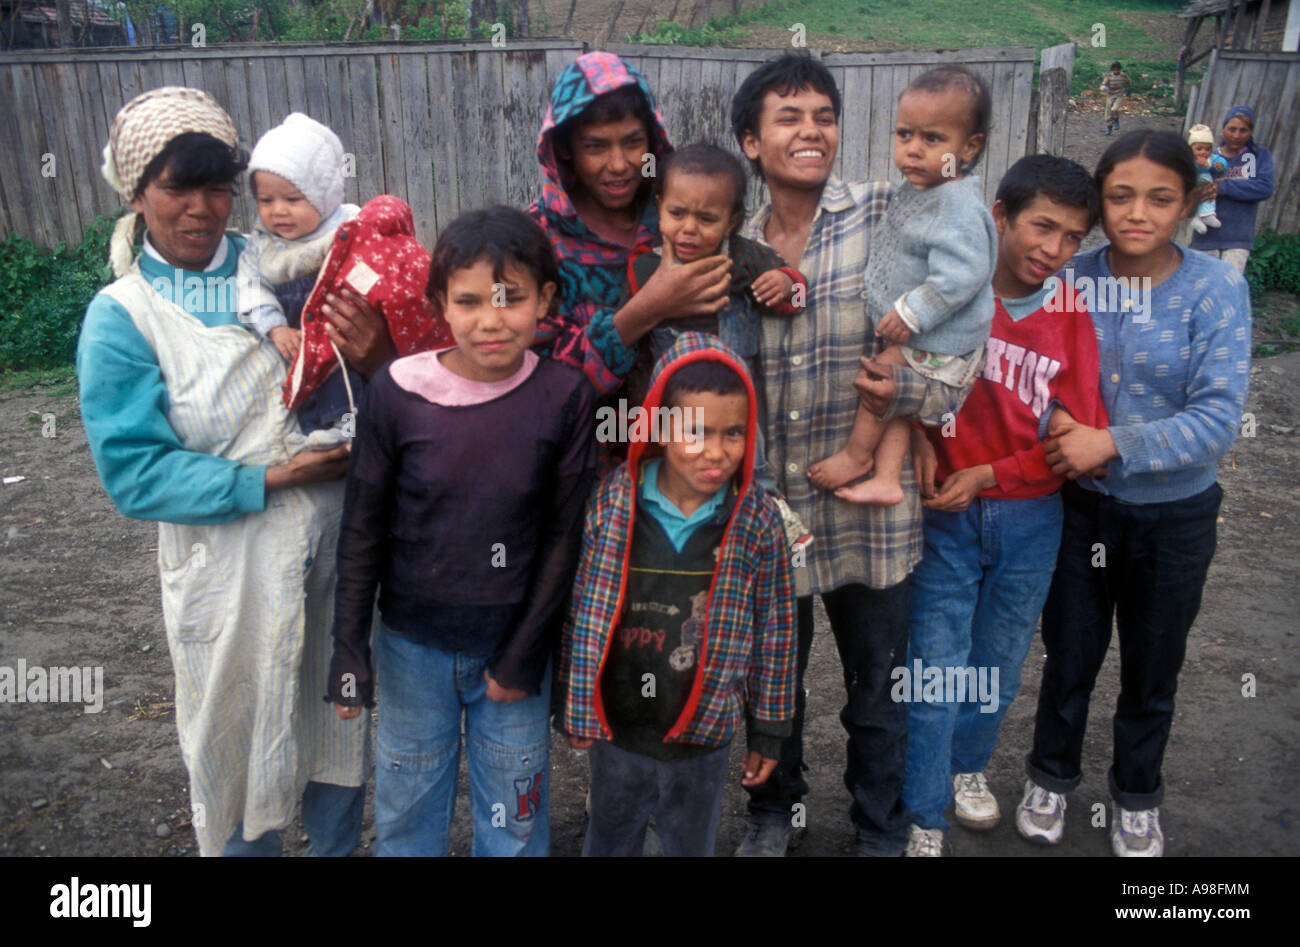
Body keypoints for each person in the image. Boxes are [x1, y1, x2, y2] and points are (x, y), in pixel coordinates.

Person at [79, 86, 395, 857]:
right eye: (176, 187)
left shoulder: (290, 264)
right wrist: (274, 479)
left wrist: (375, 356)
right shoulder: (124, 316)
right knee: (236, 751)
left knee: (334, 737)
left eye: (218, 186)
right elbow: (137, 475)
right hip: (226, 580)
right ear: (136, 192)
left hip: (333, 568)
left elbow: (383, 378)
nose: (201, 208)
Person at [327, 206, 596, 857]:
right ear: (439, 304)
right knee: (407, 808)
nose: (491, 320)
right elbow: (362, 524)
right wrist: (349, 647)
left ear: (545, 301)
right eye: (469, 301)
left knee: (513, 819)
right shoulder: (396, 391)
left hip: (512, 650)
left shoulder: (564, 395)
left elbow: (565, 535)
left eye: (511, 299)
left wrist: (525, 650)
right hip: (409, 646)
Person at [1017, 130, 1252, 857]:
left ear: (1189, 203)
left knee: (1154, 662)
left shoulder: (1217, 289)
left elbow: (1217, 419)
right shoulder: (1068, 278)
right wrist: (1053, 416)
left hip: (1175, 517)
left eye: (1160, 198)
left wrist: (1110, 440)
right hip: (1082, 509)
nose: (1138, 213)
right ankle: (1051, 776)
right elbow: (1028, 366)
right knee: (1071, 653)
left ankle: (1138, 794)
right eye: (1120, 196)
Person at [728, 53, 931, 857]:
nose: (811, 130)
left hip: (871, 518)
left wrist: (913, 402)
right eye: (788, 117)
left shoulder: (895, 215)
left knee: (878, 693)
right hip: (773, 517)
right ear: (750, 141)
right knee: (767, 685)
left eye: (824, 115)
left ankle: (880, 829)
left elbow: (955, 340)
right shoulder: (730, 250)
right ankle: (774, 813)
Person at [899, 154, 1107, 857]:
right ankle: (923, 810)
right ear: (999, 217)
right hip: (942, 511)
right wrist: (922, 446)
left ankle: (966, 767)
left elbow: (1075, 434)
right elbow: (907, 386)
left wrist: (992, 471)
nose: (1053, 249)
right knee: (935, 662)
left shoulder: (1072, 314)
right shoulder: (950, 295)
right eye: (1042, 226)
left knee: (997, 658)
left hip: (1030, 517)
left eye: (1073, 237)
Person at [558, 333, 797, 857]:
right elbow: (582, 612)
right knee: (610, 836)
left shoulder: (758, 521)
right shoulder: (611, 504)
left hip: (704, 732)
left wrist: (770, 730)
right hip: (619, 727)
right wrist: (576, 703)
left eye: (734, 432)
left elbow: (777, 629)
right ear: (658, 427)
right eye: (695, 431)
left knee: (690, 842)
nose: (716, 451)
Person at [807, 65, 997, 506]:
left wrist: (913, 312)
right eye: (904, 134)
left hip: (942, 338)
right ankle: (889, 478)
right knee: (895, 400)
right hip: (927, 335)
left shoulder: (957, 204)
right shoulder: (922, 189)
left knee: (879, 377)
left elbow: (963, 274)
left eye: (932, 139)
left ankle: (857, 456)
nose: (913, 150)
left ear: (969, 147)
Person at [625, 142, 811, 547]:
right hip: (675, 394)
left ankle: (767, 504)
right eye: (677, 213)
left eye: (707, 218)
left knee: (749, 442)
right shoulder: (645, 266)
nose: (689, 228)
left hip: (733, 388)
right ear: (660, 206)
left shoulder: (743, 258)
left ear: (732, 222)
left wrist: (786, 283)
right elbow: (630, 336)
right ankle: (662, 522)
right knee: (670, 453)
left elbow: (796, 299)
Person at [526, 50, 732, 402]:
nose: (619, 164)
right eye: (596, 146)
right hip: (585, 451)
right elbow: (541, 388)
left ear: (653, 142)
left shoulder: (678, 218)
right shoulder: (534, 240)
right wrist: (649, 308)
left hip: (688, 446)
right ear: (563, 148)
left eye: (633, 142)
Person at [237, 112, 363, 445]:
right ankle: (320, 433)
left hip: (342, 328)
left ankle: (353, 427)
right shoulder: (262, 245)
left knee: (348, 378)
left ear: (324, 195)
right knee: (303, 382)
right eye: (266, 200)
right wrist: (275, 326)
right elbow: (251, 285)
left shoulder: (347, 227)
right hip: (296, 337)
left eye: (292, 199)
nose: (278, 210)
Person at [1189, 105, 1276, 272]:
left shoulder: (1259, 156)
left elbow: (1265, 187)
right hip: (1206, 236)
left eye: (1243, 130)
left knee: (1229, 288)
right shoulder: (1209, 157)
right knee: (1203, 287)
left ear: (1251, 132)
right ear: (1223, 129)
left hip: (1238, 238)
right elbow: (1193, 183)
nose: (1236, 135)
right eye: (1232, 129)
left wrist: (1222, 187)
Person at [1186, 124, 1227, 235]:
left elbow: (1220, 161)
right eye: (1199, 149)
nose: (1203, 152)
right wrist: (1198, 165)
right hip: (1191, 183)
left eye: (1207, 149)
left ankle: (1206, 215)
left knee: (1209, 198)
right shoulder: (1189, 158)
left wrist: (1221, 165)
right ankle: (1194, 218)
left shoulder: (1212, 158)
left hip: (1206, 183)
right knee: (1192, 201)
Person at [1101, 62, 1131, 136]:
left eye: (1117, 69)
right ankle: (1109, 127)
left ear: (1119, 69)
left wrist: (1129, 90)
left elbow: (1128, 82)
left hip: (1119, 94)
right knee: (1108, 112)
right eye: (1114, 69)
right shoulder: (1109, 76)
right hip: (1110, 95)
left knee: (1114, 109)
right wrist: (1103, 87)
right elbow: (1103, 84)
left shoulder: (1123, 75)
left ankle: (1116, 119)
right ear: (1112, 69)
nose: (1116, 71)